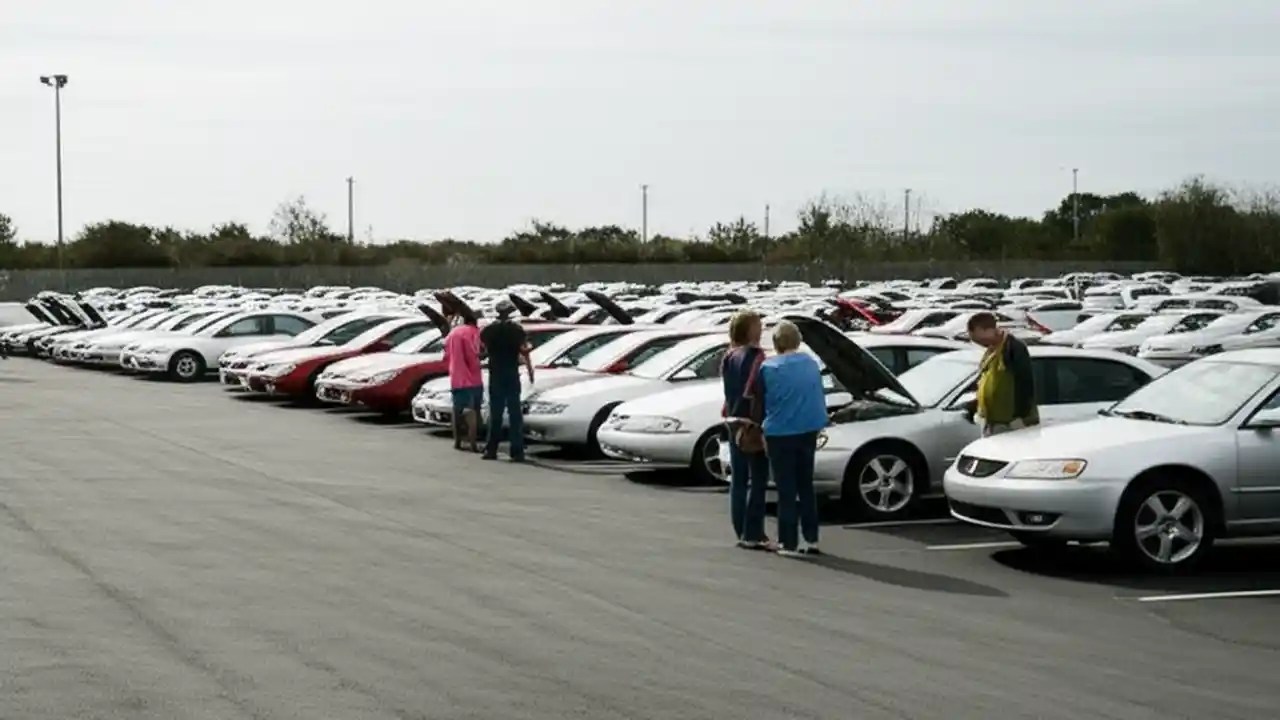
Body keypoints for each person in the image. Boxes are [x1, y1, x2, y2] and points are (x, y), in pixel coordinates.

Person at [757, 320, 827, 558]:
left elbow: (760, 400)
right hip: (808, 429)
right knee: (805, 485)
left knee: (786, 489)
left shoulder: (768, 368)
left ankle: (789, 541)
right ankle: (812, 538)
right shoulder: (811, 363)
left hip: (780, 432)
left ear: (776, 343)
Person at [720, 311, 771, 550]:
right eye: (758, 325)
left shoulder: (729, 355)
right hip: (750, 422)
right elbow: (754, 389)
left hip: (731, 419)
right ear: (750, 330)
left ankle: (740, 529)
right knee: (758, 478)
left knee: (739, 480)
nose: (761, 329)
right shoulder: (755, 355)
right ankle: (753, 533)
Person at [965, 312, 1039, 437]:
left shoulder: (1013, 348)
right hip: (992, 420)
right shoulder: (991, 350)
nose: (979, 344)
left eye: (978, 339)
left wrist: (1020, 416)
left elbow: (1025, 383)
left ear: (986, 330)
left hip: (1011, 422)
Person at [481, 301, 535, 461]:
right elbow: (524, 350)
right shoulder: (516, 330)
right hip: (511, 373)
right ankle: (517, 451)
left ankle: (491, 449)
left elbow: (484, 349)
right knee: (514, 413)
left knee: (495, 412)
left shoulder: (488, 330)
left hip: (495, 373)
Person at [443, 312, 483, 452]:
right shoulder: (473, 332)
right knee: (472, 411)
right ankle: (473, 444)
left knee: (457, 410)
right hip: (472, 378)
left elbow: (446, 354)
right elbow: (473, 354)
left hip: (455, 377)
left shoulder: (454, 333)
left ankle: (457, 441)